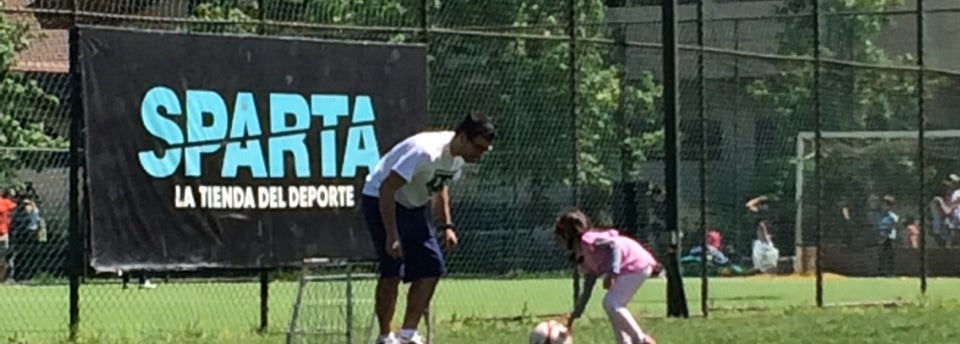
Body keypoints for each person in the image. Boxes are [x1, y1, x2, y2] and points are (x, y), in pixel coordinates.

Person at [361, 112, 495, 344]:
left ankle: (408, 334)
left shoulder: (459, 158)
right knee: (393, 268)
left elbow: (440, 185)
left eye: (485, 151)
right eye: (478, 148)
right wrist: (392, 235)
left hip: (412, 204)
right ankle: (385, 337)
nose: (480, 155)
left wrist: (447, 225)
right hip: (381, 198)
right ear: (462, 137)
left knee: (432, 266)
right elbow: (387, 189)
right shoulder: (425, 152)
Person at [556, 209, 660, 344]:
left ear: (567, 234)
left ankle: (641, 339)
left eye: (559, 235)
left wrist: (612, 272)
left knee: (611, 303)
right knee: (613, 308)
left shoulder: (587, 240)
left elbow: (614, 245)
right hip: (632, 266)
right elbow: (587, 288)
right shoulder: (583, 257)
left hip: (635, 262)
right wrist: (575, 314)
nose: (558, 240)